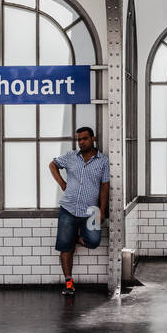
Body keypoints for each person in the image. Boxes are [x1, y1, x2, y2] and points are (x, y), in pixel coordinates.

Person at [49, 126, 111, 296]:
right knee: (65, 248)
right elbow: (52, 165)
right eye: (79, 139)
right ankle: (69, 282)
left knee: (93, 241)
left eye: (84, 138)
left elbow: (105, 186)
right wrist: (62, 183)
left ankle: (73, 238)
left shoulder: (103, 161)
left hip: (91, 211)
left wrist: (103, 210)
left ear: (93, 138)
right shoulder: (70, 156)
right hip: (68, 208)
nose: (81, 142)